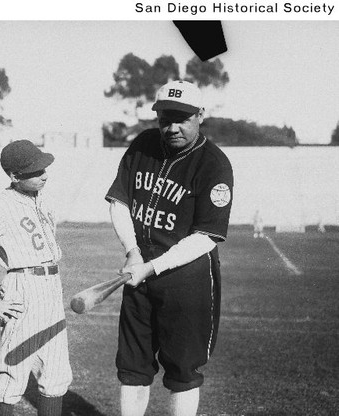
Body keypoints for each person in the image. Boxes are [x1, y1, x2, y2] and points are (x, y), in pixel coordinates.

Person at [105, 80, 233, 416]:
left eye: (182, 118)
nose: (172, 127)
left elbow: (207, 236)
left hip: (186, 280)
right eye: (165, 119)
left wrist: (150, 267)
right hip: (138, 272)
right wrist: (132, 251)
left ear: (200, 116)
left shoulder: (213, 164)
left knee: (183, 371)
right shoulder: (144, 144)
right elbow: (119, 201)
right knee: (132, 366)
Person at [0, 140, 72, 416]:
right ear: (14, 176)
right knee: (13, 373)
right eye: (35, 171)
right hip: (24, 288)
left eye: (44, 168)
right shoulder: (0, 205)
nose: (44, 174)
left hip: (52, 287)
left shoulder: (42, 199)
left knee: (55, 372)